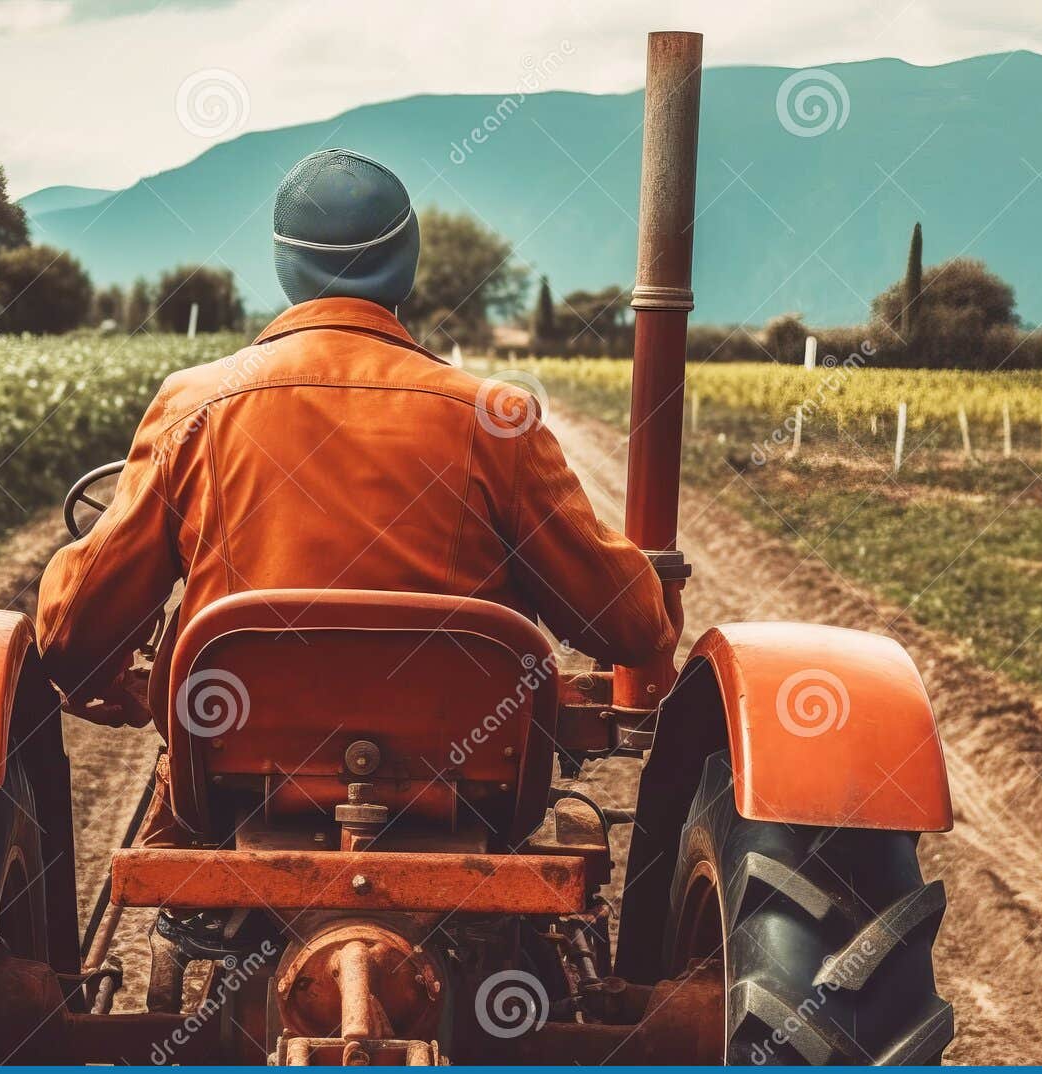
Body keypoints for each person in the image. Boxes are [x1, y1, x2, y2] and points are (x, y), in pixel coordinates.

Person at [36, 147, 676, 762]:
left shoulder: (193, 406)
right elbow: (629, 627)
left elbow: (72, 638)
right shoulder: (496, 420)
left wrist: (104, 664)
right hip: (463, 787)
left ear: (286, 267)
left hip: (234, 776)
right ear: (408, 263)